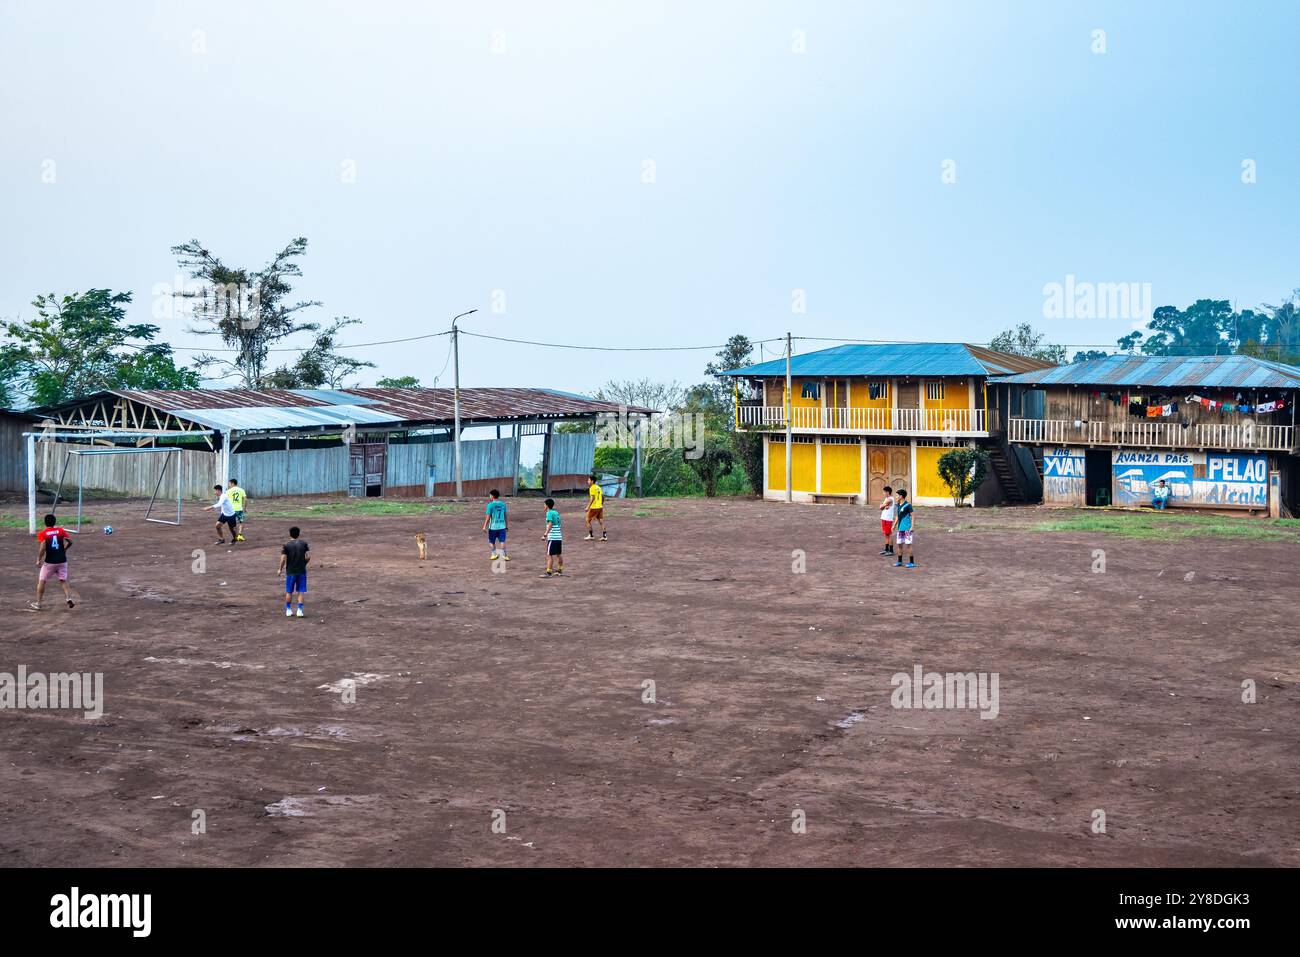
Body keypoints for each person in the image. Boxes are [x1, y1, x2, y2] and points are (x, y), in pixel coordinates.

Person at [31, 513, 75, 611]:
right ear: (55, 522)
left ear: (45, 522)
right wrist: (65, 549)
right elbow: (70, 542)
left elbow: (43, 547)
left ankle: (38, 604)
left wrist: (39, 559)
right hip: (62, 560)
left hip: (50, 562)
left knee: (42, 581)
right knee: (63, 580)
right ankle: (69, 598)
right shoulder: (60, 530)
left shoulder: (43, 533)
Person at [277, 526, 310, 618]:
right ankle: (299, 611)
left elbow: (283, 559)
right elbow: (307, 557)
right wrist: (304, 564)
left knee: (289, 591)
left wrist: (280, 569)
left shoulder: (286, 545)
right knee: (300, 591)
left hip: (290, 572)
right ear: (299, 534)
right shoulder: (304, 544)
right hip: (301, 571)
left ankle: (288, 610)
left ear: (290, 534)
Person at [483, 489, 509, 561]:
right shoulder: (503, 504)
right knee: (502, 541)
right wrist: (507, 526)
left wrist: (484, 526)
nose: (489, 496)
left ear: (492, 496)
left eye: (490, 495)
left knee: (491, 542)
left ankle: (494, 554)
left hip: (493, 527)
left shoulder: (490, 505)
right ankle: (504, 555)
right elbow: (505, 516)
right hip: (502, 527)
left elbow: (488, 517)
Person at [541, 497, 564, 578]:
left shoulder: (549, 513)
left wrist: (545, 534)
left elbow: (550, 523)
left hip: (553, 537)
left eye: (544, 505)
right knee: (558, 554)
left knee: (549, 555)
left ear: (547, 506)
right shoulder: (556, 512)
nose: (543, 507)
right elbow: (559, 524)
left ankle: (549, 572)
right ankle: (560, 570)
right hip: (559, 537)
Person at [893, 488, 916, 569]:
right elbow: (897, 517)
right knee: (899, 545)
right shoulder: (898, 505)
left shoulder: (908, 505)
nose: (895, 497)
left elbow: (913, 516)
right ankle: (899, 561)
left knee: (908, 545)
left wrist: (912, 526)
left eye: (896, 495)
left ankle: (912, 562)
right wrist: (894, 526)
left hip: (907, 529)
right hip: (900, 529)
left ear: (901, 496)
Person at [584, 474, 607, 541]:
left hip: (594, 507)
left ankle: (591, 535)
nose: (587, 481)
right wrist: (601, 504)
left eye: (588, 480)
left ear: (592, 481)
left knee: (587, 520)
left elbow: (592, 498)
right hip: (600, 507)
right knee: (601, 521)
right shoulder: (598, 487)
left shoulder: (592, 488)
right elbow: (603, 497)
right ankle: (604, 536)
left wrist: (588, 507)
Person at [879, 484, 896, 556]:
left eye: (884, 492)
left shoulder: (889, 499)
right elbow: (882, 506)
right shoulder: (887, 499)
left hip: (888, 519)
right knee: (886, 534)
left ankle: (891, 550)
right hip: (884, 518)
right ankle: (886, 549)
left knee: (889, 534)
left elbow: (881, 507)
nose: (883, 493)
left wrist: (883, 505)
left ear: (888, 492)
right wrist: (883, 506)